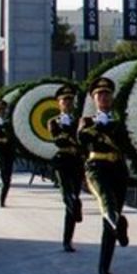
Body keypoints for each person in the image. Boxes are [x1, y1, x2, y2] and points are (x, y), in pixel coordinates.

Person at [78, 77, 130, 274]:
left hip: (118, 170)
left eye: (107, 94)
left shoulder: (119, 122)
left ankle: (105, 266)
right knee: (107, 204)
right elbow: (83, 139)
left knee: (110, 219)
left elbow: (125, 142)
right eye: (99, 94)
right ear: (93, 99)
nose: (104, 97)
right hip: (97, 168)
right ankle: (118, 226)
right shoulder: (87, 121)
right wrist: (100, 127)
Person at [48, 85, 84, 252]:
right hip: (62, 162)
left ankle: (67, 240)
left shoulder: (80, 121)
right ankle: (66, 239)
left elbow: (82, 140)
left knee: (73, 197)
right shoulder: (53, 121)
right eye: (64, 100)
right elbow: (58, 140)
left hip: (76, 161)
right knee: (67, 195)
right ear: (59, 103)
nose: (67, 103)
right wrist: (74, 136)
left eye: (70, 100)